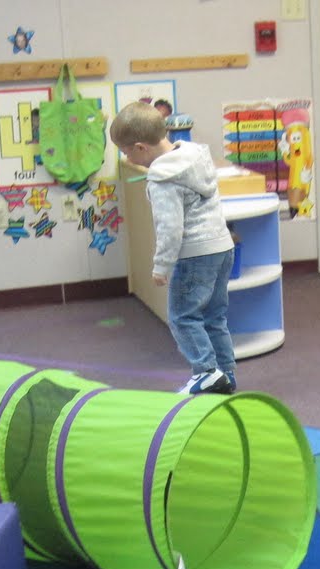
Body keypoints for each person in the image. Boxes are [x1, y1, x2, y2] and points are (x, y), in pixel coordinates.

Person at [109, 102, 236, 396]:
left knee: (182, 317)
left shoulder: (163, 178)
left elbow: (170, 228)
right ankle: (225, 373)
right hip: (221, 246)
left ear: (141, 148)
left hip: (195, 253)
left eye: (127, 152)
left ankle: (206, 371)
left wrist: (161, 266)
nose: (128, 158)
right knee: (214, 316)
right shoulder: (194, 157)